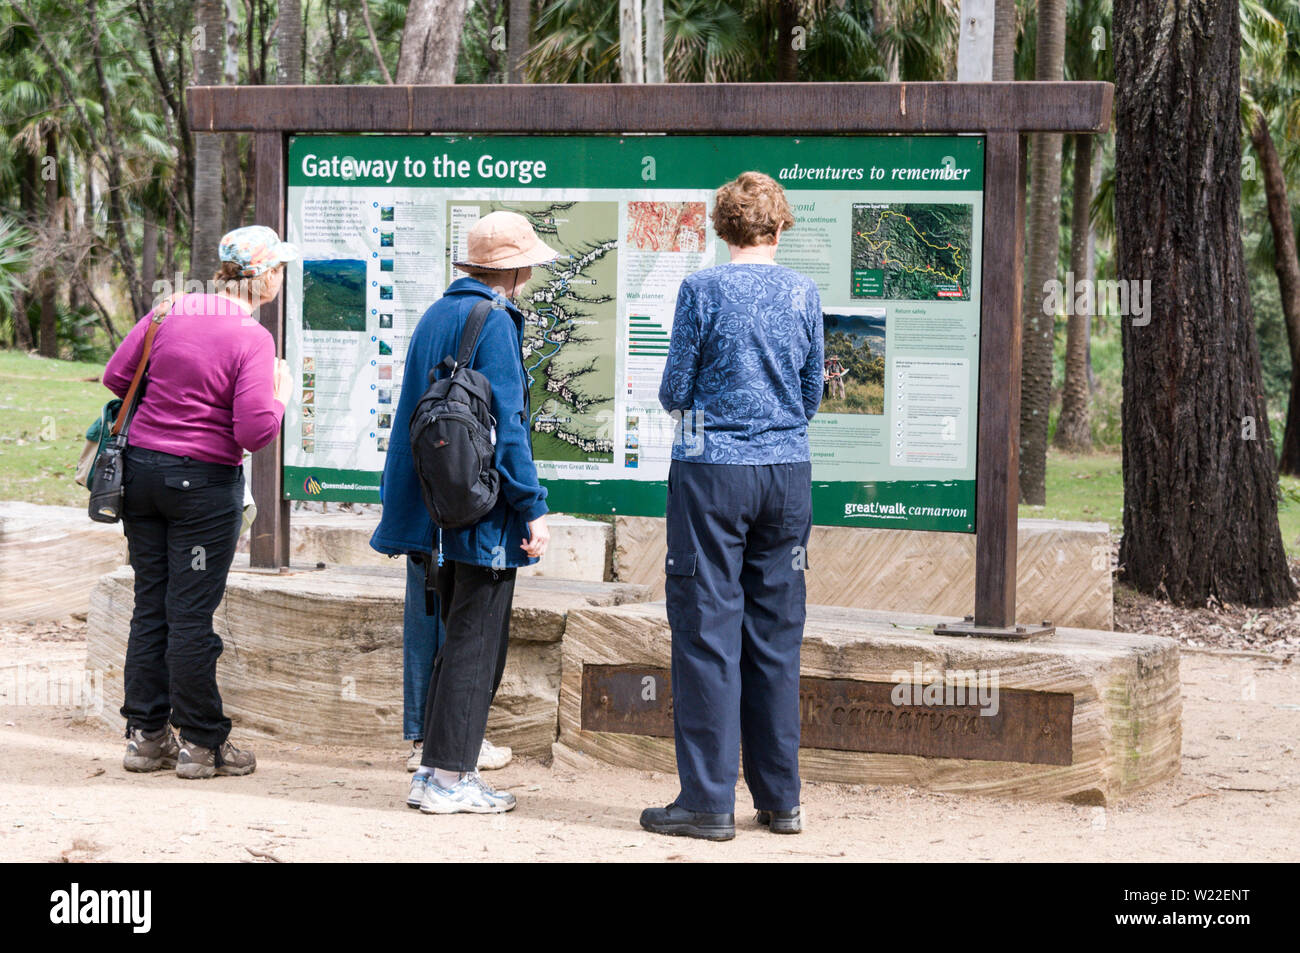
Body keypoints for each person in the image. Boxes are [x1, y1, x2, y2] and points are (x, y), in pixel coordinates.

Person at [640, 172, 824, 840]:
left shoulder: (702, 289)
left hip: (711, 479)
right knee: (777, 635)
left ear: (723, 228)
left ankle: (708, 801)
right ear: (779, 228)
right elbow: (809, 394)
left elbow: (675, 387)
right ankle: (782, 799)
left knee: (707, 632)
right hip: (787, 477)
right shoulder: (804, 291)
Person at [371, 211, 552, 815]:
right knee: (478, 642)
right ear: (516, 268)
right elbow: (509, 428)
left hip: (433, 508)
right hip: (479, 512)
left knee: (457, 640)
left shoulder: (437, 313)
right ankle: (450, 780)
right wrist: (532, 507)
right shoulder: (495, 322)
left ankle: (434, 773)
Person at [106, 225, 296, 779]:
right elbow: (256, 430)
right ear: (262, 277)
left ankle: (146, 738)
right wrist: (281, 397)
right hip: (202, 488)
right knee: (190, 613)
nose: (281, 279)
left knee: (152, 604)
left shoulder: (169, 310)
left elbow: (117, 376)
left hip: (140, 477)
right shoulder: (252, 338)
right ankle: (202, 743)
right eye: (279, 269)